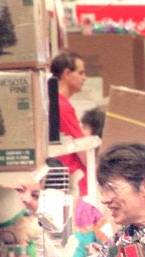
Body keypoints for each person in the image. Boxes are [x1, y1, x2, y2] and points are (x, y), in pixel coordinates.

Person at [50, 51, 89, 194]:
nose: (85, 78)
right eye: (81, 73)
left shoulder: (54, 101)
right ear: (67, 73)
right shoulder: (61, 106)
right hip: (74, 184)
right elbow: (82, 150)